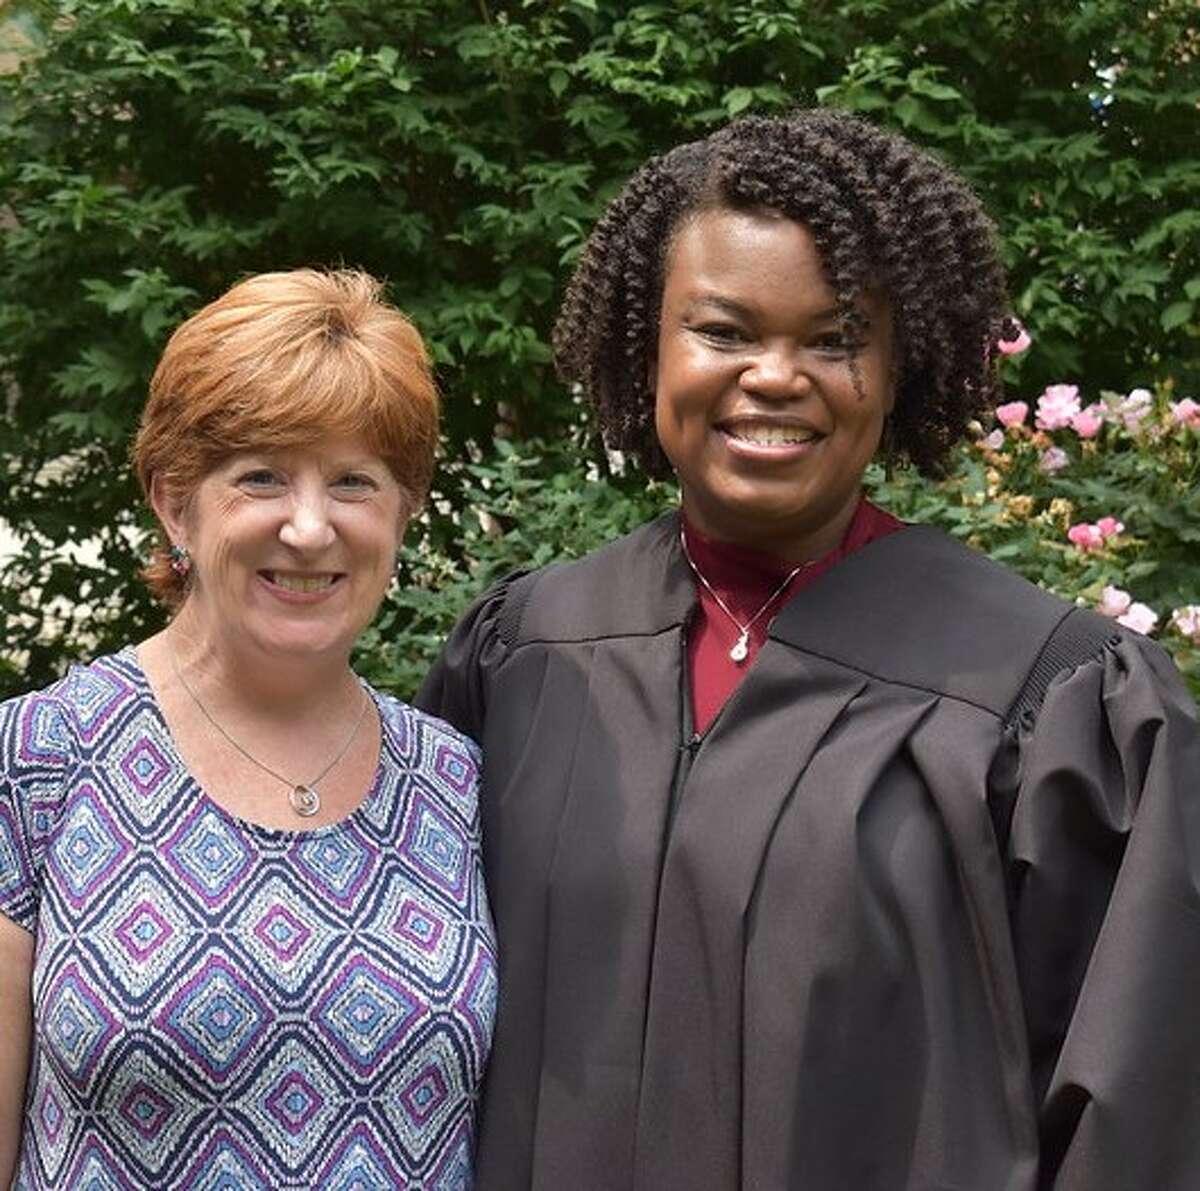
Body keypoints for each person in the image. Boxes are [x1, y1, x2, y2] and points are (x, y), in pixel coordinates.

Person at [418, 110, 1200, 1189]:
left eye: (834, 339)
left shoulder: (1048, 699)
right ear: (649, 347)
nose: (775, 376)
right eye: (724, 331)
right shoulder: (525, 656)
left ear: (897, 366)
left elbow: (1139, 1120)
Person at [0, 269, 497, 1189]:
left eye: (354, 480)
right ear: (174, 500)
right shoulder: (35, 761)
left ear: (403, 510)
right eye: (261, 475)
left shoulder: (457, 781)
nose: (310, 528)